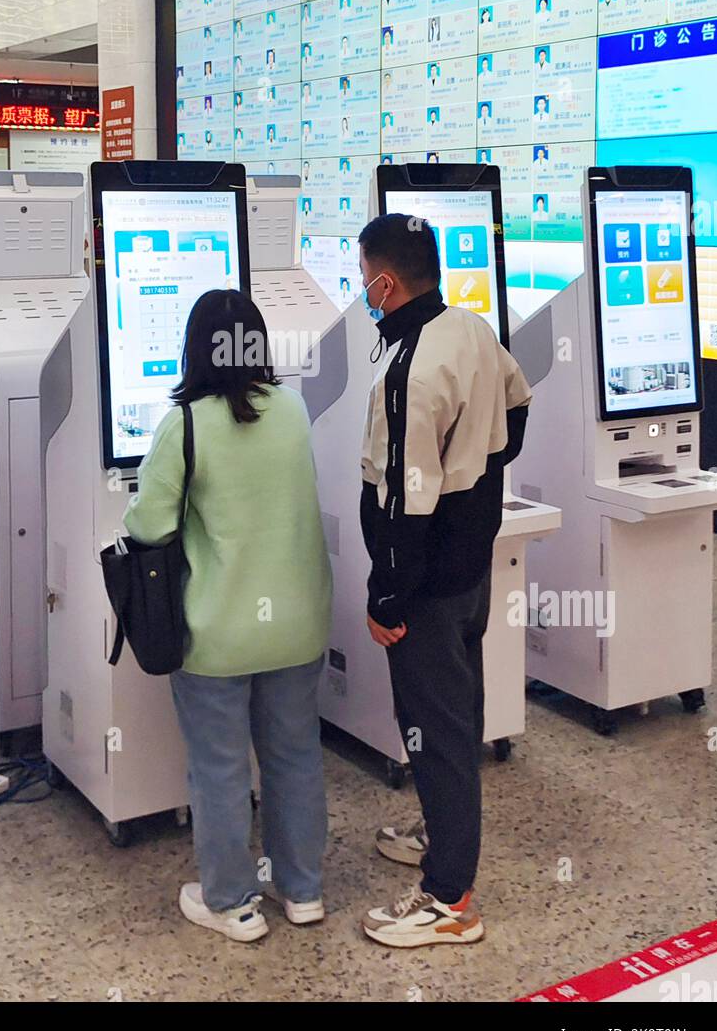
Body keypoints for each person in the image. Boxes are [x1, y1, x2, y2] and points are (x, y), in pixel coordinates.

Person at [123, 290, 332, 943]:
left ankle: (234, 902)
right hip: (298, 624)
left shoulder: (185, 423)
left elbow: (149, 525)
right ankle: (302, 891)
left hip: (219, 633)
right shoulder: (293, 408)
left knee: (220, 767)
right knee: (295, 755)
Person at [356, 214, 532, 947]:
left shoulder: (409, 371)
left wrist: (387, 595)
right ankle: (440, 837)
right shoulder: (474, 329)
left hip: (424, 583)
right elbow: (518, 410)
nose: (359, 287)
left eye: (361, 274)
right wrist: (479, 480)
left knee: (438, 730)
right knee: (456, 714)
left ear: (385, 282)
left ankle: (450, 898)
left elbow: (403, 498)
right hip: (470, 565)